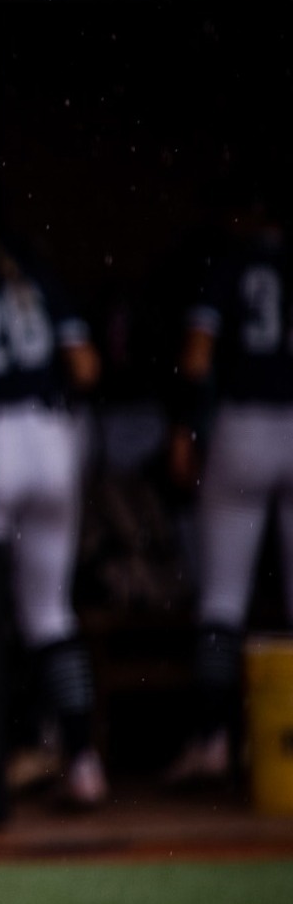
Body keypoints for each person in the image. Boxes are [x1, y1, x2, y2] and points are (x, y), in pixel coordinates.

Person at [166, 197, 293, 784]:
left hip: (245, 425)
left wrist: (186, 427)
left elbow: (196, 356)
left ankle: (213, 739)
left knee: (222, 598)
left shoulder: (234, 264)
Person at [0, 235, 107, 808]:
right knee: (51, 612)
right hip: (53, 437)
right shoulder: (28, 268)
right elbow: (85, 367)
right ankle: (82, 761)